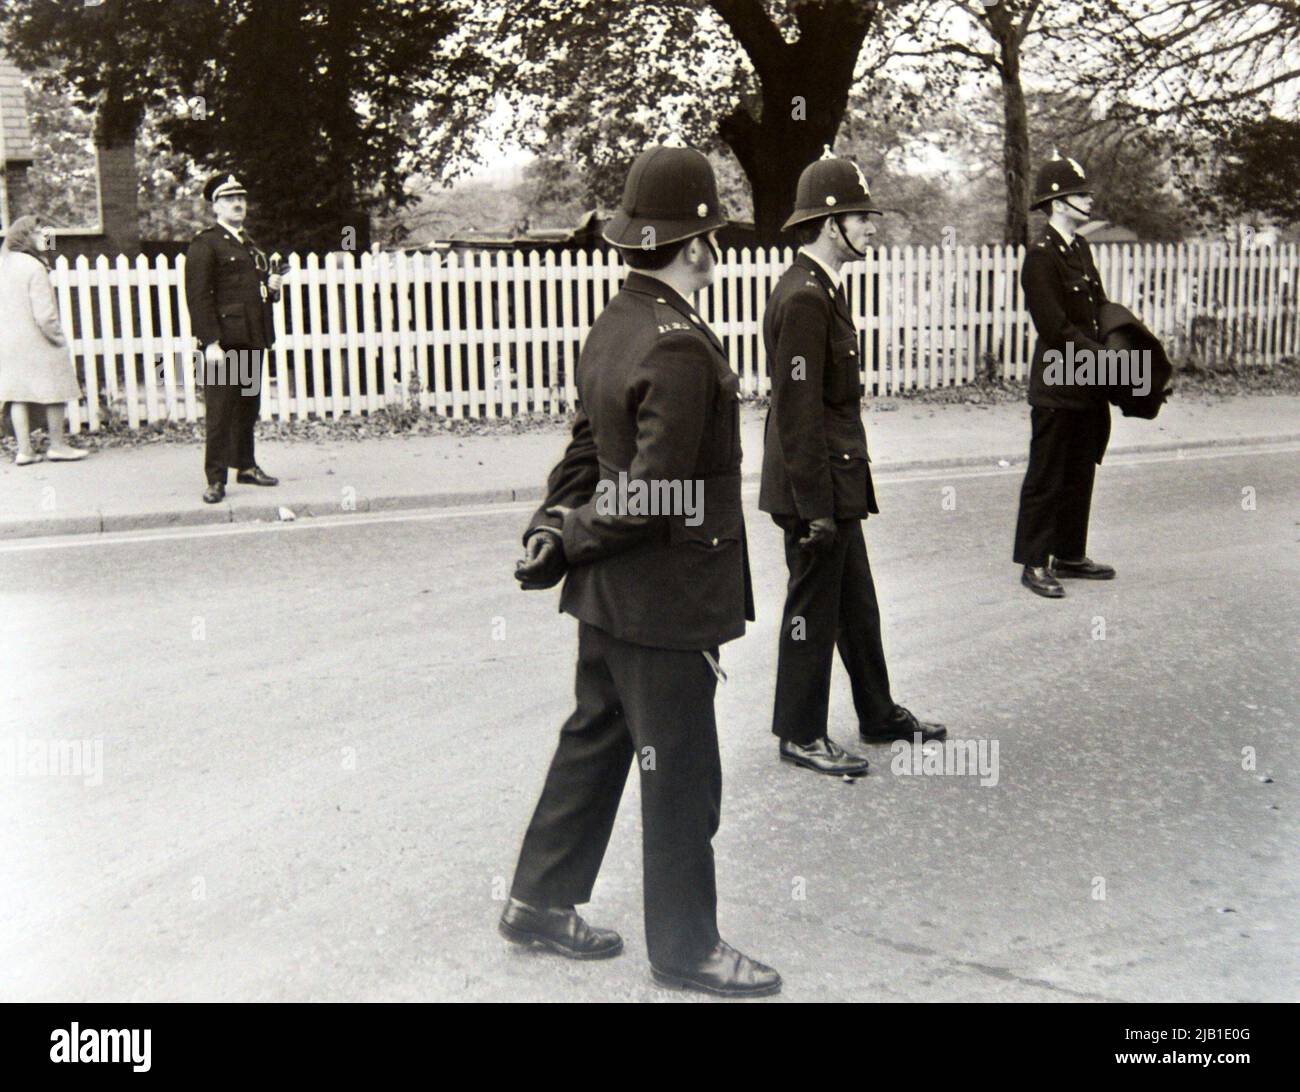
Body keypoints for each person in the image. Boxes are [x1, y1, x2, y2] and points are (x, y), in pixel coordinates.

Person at [502, 142, 780, 999]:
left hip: (609, 597)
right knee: (681, 772)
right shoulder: (682, 347)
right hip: (665, 600)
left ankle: (539, 902)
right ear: (699, 245)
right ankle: (688, 947)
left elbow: (587, 447)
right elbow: (658, 494)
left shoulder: (616, 323)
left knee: (594, 740)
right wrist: (573, 532)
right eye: (715, 232)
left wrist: (556, 526)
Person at [759, 148, 946, 778]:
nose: (871, 227)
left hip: (835, 481)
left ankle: (877, 711)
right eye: (861, 216)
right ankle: (800, 732)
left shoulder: (822, 290)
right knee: (812, 611)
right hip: (814, 489)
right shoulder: (806, 298)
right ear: (828, 223)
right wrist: (815, 509)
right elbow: (796, 410)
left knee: (856, 604)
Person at [1013, 153, 1116, 598]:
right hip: (1057, 383)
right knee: (1047, 474)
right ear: (1057, 203)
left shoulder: (1081, 249)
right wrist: (1105, 361)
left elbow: (1098, 311)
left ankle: (1069, 554)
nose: (1088, 199)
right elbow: (1055, 329)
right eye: (1079, 194)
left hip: (1087, 382)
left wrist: (1125, 350)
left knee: (1080, 470)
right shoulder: (1040, 258)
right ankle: (1034, 562)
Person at [185, 172, 281, 504]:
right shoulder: (205, 243)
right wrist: (209, 342)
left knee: (247, 406)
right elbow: (198, 296)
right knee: (220, 411)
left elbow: (253, 292)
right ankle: (215, 479)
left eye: (240, 198)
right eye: (229, 199)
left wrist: (271, 289)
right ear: (215, 207)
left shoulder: (249, 244)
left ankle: (246, 465)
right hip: (223, 342)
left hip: (251, 337)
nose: (238, 203)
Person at [0, 215, 86, 465]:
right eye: (39, 233)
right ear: (26, 236)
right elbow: (45, 315)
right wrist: (59, 338)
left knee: (17, 394)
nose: (45, 238)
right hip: (38, 339)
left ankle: (24, 450)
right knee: (55, 390)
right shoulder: (34, 267)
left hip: (9, 341)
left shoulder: (4, 264)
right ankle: (57, 445)